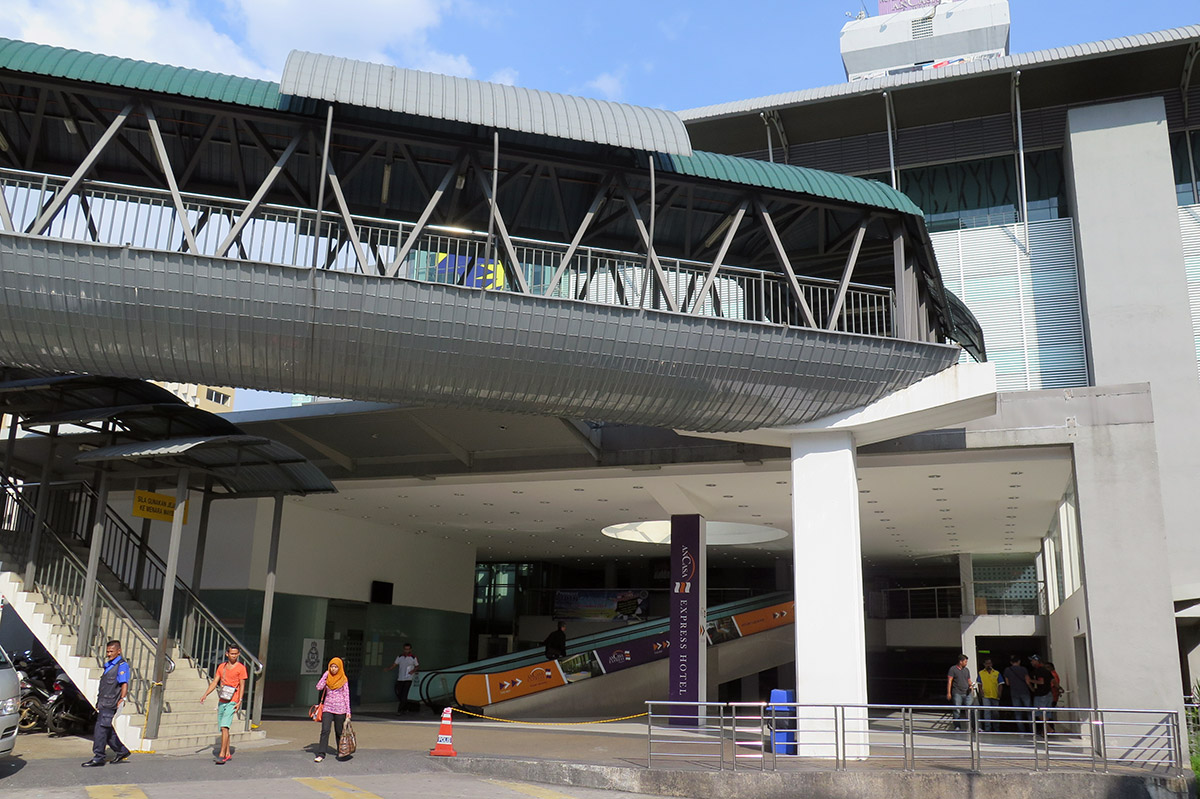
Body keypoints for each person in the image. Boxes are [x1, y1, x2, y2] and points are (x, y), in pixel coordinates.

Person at [82, 640, 132, 767]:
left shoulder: (121, 665)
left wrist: (123, 698)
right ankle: (121, 751)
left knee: (100, 729)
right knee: (106, 727)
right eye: (108, 651)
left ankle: (99, 756)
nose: (109, 654)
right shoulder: (108, 665)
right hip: (104, 701)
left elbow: (124, 683)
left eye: (111, 651)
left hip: (111, 702)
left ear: (118, 651)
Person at [200, 645, 248, 764]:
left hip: (233, 700)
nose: (234, 656)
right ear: (227, 654)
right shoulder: (222, 667)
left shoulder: (241, 668)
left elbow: (242, 685)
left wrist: (240, 700)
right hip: (223, 699)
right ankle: (227, 753)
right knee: (223, 728)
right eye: (232, 653)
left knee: (224, 727)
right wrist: (206, 694)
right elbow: (215, 681)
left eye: (236, 654)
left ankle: (222, 754)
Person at [314, 657, 351, 762]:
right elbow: (318, 687)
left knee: (339, 731)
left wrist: (348, 711)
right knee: (325, 730)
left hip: (340, 709)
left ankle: (342, 751)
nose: (333, 669)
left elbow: (346, 695)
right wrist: (325, 675)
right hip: (328, 708)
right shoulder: (328, 677)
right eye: (331, 666)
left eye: (335, 667)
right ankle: (321, 753)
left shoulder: (343, 679)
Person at [385, 643, 419, 715]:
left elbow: (417, 666)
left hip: (408, 678)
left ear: (410, 649)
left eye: (408, 649)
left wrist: (413, 671)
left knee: (404, 694)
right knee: (399, 693)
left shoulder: (413, 657)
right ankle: (405, 707)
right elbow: (395, 664)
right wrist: (388, 669)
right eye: (405, 649)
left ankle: (400, 710)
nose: (407, 651)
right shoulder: (400, 657)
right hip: (400, 678)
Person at [1002, 655, 1033, 733]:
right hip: (1025, 691)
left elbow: (1007, 683)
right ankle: (1032, 729)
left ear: (1011, 662)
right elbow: (1027, 681)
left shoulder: (1007, 670)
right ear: (1019, 661)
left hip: (1014, 692)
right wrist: (1032, 689)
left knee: (1018, 712)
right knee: (1029, 710)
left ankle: (1021, 729)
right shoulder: (1023, 669)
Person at [945, 653, 974, 731]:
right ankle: (957, 726)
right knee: (957, 710)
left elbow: (968, 680)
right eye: (965, 661)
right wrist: (949, 692)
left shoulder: (966, 670)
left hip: (967, 692)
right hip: (957, 692)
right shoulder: (953, 669)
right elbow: (949, 681)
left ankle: (971, 726)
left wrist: (971, 685)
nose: (966, 663)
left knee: (970, 710)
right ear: (960, 662)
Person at [1028, 654, 1055, 737]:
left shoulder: (1039, 671)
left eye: (1032, 660)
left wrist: (1030, 680)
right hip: (1049, 694)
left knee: (1039, 713)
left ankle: (1048, 728)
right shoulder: (1047, 671)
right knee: (1046, 713)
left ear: (1036, 661)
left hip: (1041, 695)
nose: (1031, 662)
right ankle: (1045, 731)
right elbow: (1053, 681)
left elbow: (1041, 682)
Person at [977, 657, 1004, 732]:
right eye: (987, 663)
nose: (988, 665)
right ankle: (987, 729)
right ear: (984, 664)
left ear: (992, 664)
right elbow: (979, 684)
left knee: (995, 713)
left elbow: (1000, 684)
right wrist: (981, 692)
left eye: (989, 663)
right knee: (987, 712)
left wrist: (999, 693)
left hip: (995, 695)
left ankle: (996, 729)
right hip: (986, 696)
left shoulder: (996, 673)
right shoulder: (981, 673)